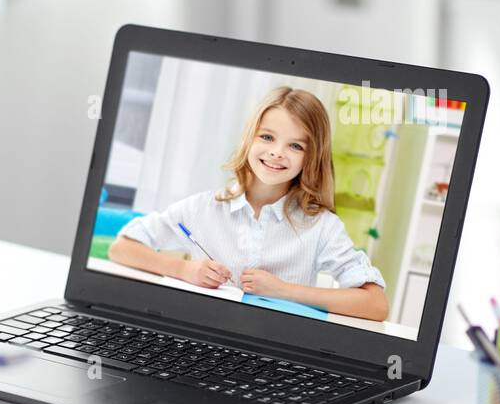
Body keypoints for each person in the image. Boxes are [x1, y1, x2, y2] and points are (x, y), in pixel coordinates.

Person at [107, 86, 389, 321]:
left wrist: (284, 290)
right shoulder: (204, 207)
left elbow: (376, 305)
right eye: (267, 137)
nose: (277, 153)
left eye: (296, 146)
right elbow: (122, 248)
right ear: (249, 139)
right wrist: (185, 270)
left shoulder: (321, 226)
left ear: (311, 157)